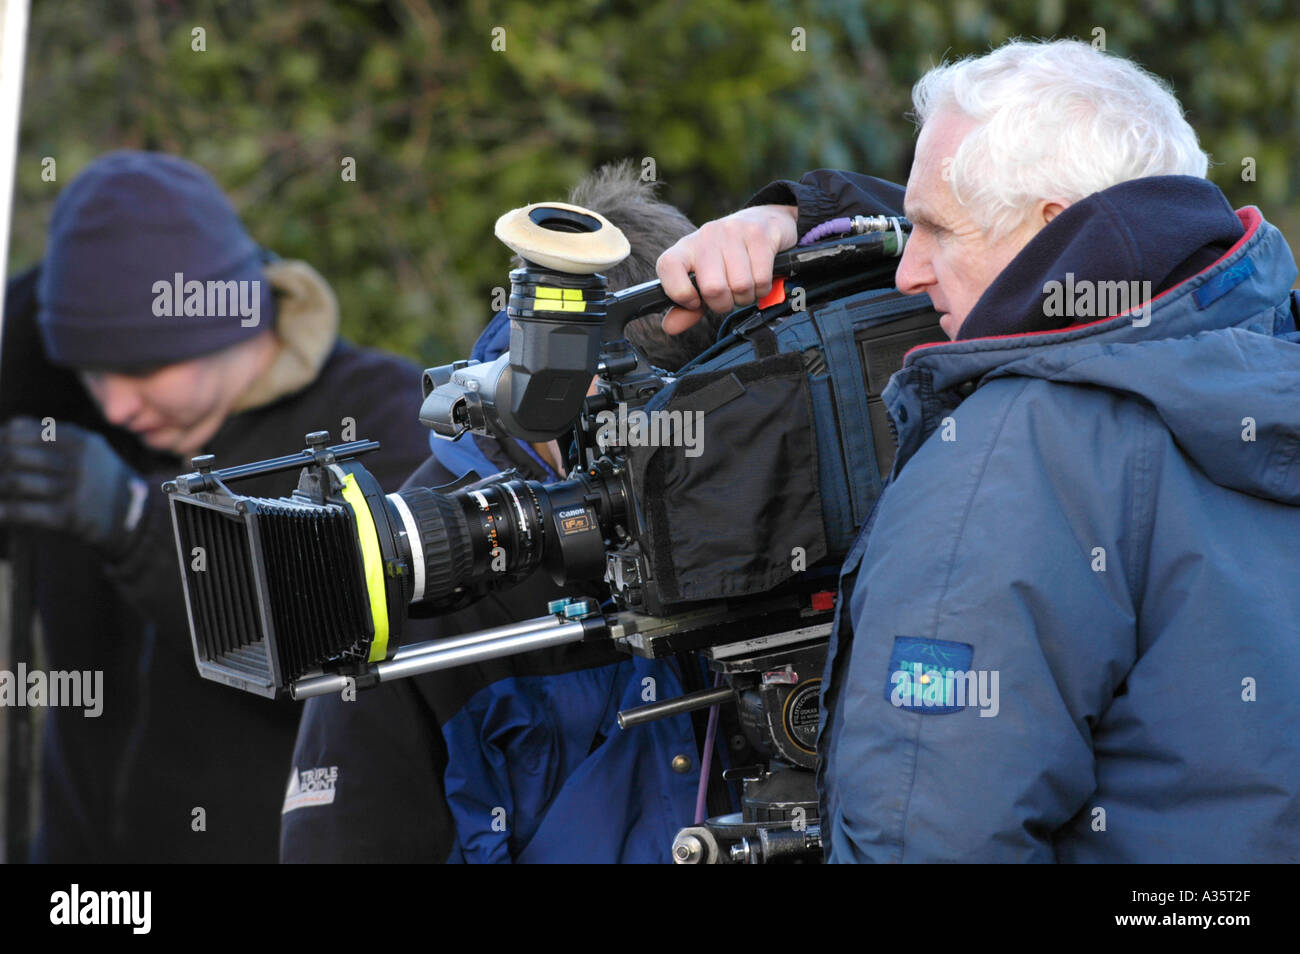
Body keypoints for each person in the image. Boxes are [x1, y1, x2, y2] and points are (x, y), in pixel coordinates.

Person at [655, 38, 1300, 861]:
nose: (907, 272)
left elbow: (928, 837)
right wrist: (801, 214)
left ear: (1054, 231)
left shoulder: (1006, 461)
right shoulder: (1263, 350)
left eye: (934, 230)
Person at [280, 162, 753, 863]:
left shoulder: (758, 490)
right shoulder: (417, 563)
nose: (665, 472)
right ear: (555, 388)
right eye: (627, 436)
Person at [0, 151, 431, 862]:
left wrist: (137, 527)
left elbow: (337, 639)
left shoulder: (381, 421)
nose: (115, 403)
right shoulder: (67, 414)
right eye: (92, 369)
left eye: (141, 370)